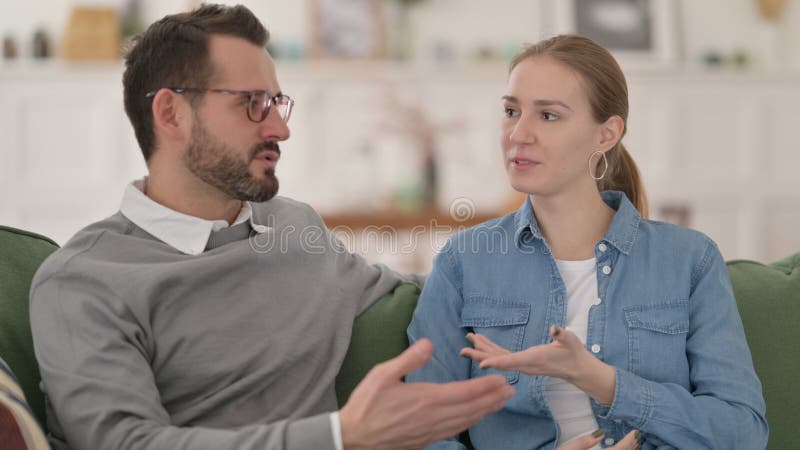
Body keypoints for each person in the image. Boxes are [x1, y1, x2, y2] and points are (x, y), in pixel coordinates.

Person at [28, 5, 518, 450]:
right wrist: (339, 436)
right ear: (171, 114)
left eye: (277, 103)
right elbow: (126, 443)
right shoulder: (83, 281)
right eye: (251, 103)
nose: (280, 129)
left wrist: (552, 260)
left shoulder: (291, 226)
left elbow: (418, 295)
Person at [407, 34, 768, 449]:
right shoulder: (464, 262)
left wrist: (604, 382)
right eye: (511, 111)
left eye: (548, 116)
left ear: (607, 134)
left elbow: (742, 432)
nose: (518, 134)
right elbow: (420, 431)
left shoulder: (690, 260)